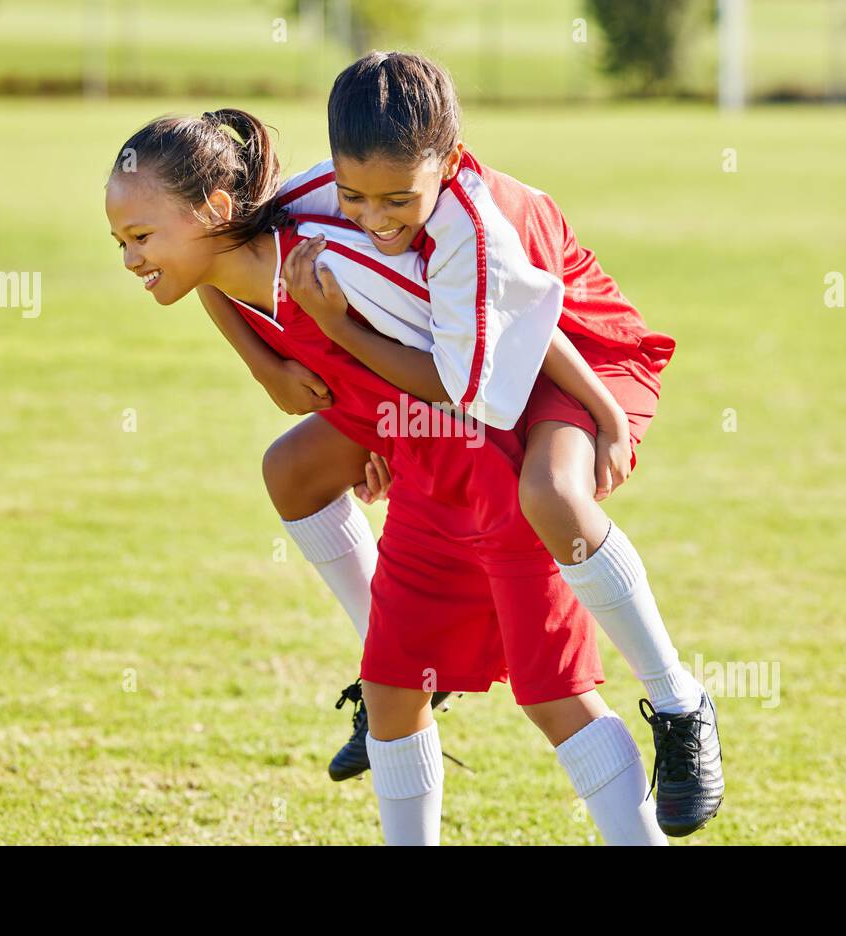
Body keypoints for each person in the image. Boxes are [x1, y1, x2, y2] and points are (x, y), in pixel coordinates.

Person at [105, 109, 672, 845]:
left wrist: (603, 411)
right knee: (392, 685)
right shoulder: (226, 264)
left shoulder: (334, 264)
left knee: (555, 699)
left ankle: (666, 749)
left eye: (140, 238)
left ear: (215, 211)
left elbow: (514, 327)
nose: (129, 260)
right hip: (428, 478)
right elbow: (214, 277)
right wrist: (269, 368)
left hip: (493, 474)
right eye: (120, 242)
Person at [270, 51, 723, 835]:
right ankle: (398, 667)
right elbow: (216, 246)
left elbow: (463, 381)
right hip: (493, 368)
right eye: (355, 196)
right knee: (296, 467)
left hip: (586, 363)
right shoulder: (323, 194)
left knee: (549, 494)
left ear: (449, 162)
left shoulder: (473, 228)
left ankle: (681, 705)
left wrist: (340, 328)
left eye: (395, 200)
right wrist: (278, 370)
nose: (373, 219)